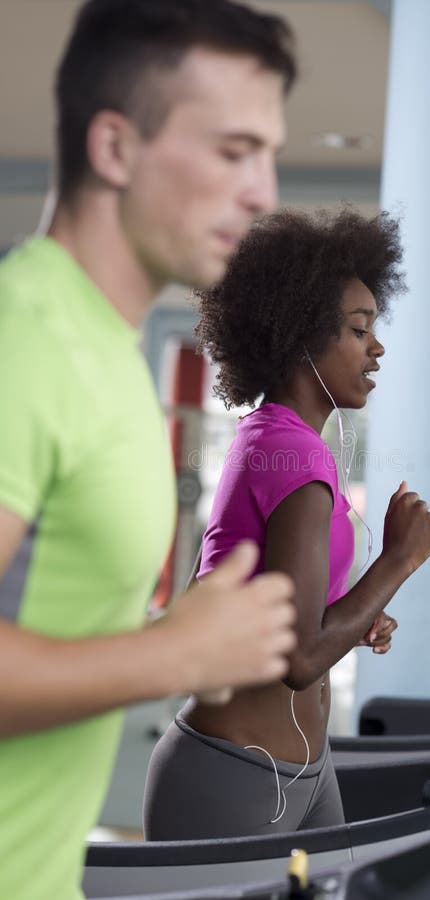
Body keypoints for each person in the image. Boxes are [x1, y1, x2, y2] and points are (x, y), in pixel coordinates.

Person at [0, 2, 300, 898]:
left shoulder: (106, 352)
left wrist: (174, 634)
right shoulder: (25, 341)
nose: (263, 191)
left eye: (270, 154)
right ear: (115, 149)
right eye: (232, 150)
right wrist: (176, 658)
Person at [143, 208, 430, 840]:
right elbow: (300, 657)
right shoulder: (296, 458)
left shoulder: (280, 440)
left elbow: (294, 617)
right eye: (360, 330)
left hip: (304, 772)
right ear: (305, 334)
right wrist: (400, 560)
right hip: (234, 778)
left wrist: (356, 620)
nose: (378, 346)